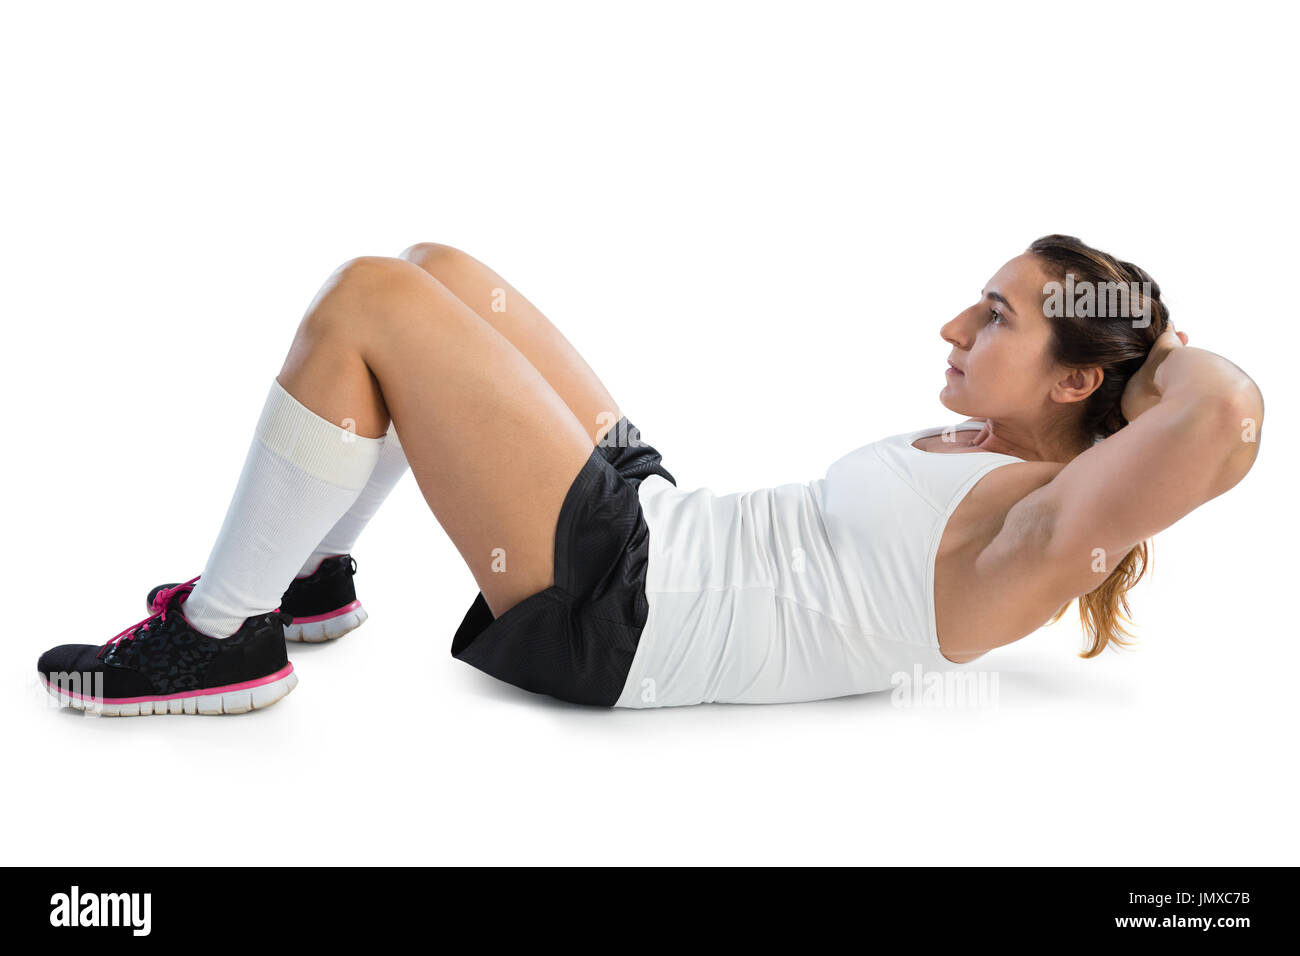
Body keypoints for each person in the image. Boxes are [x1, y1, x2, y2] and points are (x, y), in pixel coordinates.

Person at [36, 234, 1264, 715]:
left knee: (372, 301)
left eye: (994, 317)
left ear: (1072, 382)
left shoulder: (1035, 536)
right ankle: (307, 578)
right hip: (664, 523)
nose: (952, 326)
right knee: (438, 272)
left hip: (623, 614)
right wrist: (1122, 342)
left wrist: (1151, 343)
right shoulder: (997, 450)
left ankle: (221, 636)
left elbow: (1225, 420)